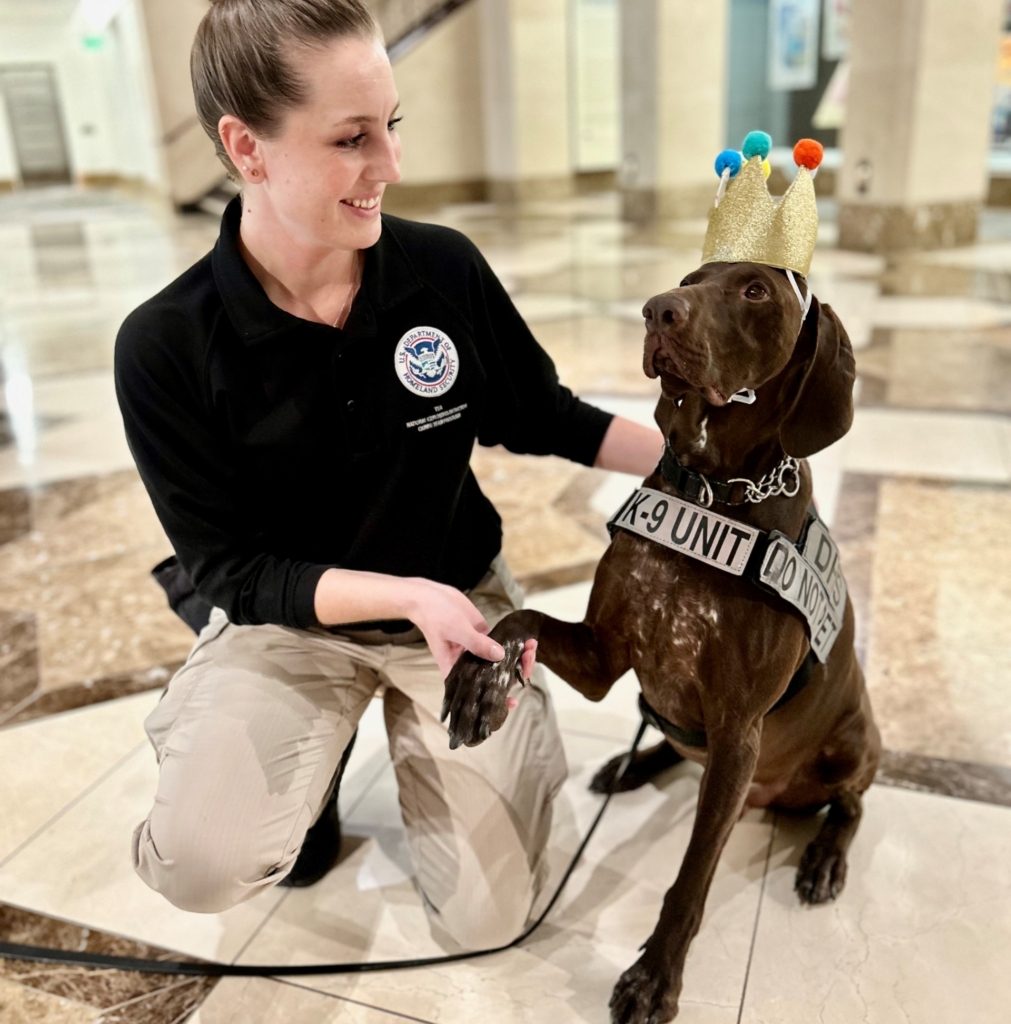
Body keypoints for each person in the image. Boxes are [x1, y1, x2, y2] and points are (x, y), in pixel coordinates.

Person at [115, 0, 663, 949]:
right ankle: (301, 769)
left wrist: (705, 466)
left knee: (489, 921)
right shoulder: (164, 345)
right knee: (202, 865)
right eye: (352, 138)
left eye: (392, 125)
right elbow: (235, 572)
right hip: (291, 615)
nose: (392, 167)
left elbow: (540, 415)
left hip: (455, 603)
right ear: (247, 146)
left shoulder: (440, 270)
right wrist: (403, 594)